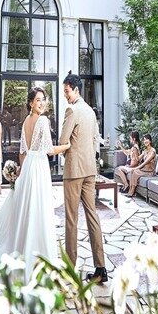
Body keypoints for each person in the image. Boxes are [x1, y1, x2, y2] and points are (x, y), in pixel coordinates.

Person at [0, 87, 70, 282]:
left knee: (28, 208)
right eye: (38, 100)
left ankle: (24, 251)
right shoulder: (42, 121)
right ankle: (39, 255)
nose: (42, 103)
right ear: (31, 103)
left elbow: (22, 153)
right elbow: (49, 150)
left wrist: (21, 172)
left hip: (28, 167)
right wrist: (67, 146)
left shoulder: (26, 121)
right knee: (39, 209)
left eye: (43, 100)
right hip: (39, 167)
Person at [60, 73, 108, 283]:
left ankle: (70, 268)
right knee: (92, 216)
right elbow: (95, 139)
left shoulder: (72, 110)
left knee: (71, 219)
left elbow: (63, 141)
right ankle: (101, 268)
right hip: (90, 169)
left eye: (67, 91)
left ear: (76, 89)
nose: (65, 96)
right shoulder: (90, 111)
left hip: (74, 170)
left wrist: (66, 153)